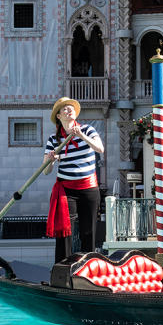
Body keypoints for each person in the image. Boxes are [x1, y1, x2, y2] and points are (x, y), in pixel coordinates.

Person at [44, 97, 104, 263]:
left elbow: (100, 149)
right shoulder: (53, 140)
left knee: (88, 232)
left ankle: (89, 268)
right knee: (64, 231)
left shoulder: (88, 130)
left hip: (89, 188)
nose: (69, 110)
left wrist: (82, 136)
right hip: (66, 190)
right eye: (64, 109)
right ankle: (62, 268)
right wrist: (51, 160)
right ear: (58, 116)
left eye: (71, 108)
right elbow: (46, 172)